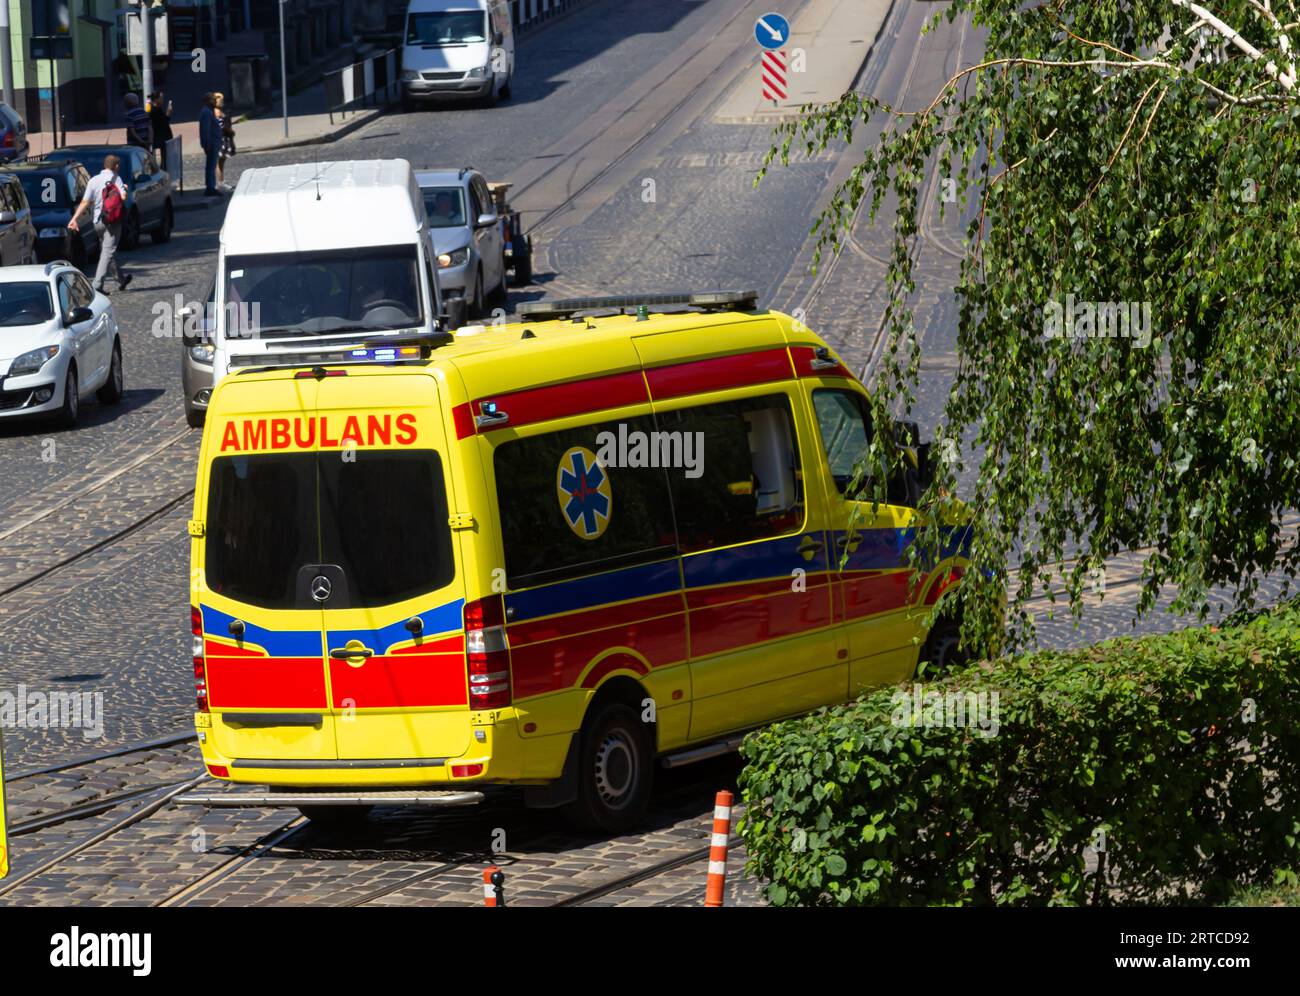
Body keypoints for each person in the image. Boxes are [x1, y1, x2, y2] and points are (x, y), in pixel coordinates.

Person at [67, 154, 132, 294]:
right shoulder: (117, 179)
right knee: (108, 251)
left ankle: (121, 279)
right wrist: (125, 188)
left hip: (97, 221)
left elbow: (85, 202)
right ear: (117, 166)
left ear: (104, 165)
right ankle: (97, 285)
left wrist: (74, 219)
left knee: (108, 251)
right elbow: (123, 197)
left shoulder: (93, 180)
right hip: (113, 221)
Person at [199, 93, 222, 197]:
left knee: (212, 166)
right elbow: (206, 130)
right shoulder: (206, 113)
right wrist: (207, 144)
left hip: (213, 143)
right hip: (211, 144)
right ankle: (210, 188)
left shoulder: (210, 111)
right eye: (213, 100)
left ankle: (211, 187)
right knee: (211, 166)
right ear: (208, 101)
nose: (215, 101)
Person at [214, 92, 236, 188]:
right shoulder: (216, 112)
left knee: (221, 161)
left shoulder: (219, 111)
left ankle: (221, 182)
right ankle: (220, 183)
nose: (222, 102)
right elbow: (221, 126)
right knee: (219, 161)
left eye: (222, 100)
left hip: (223, 138)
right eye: (220, 100)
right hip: (220, 139)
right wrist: (229, 130)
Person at [149, 91, 174, 171]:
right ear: (156, 99)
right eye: (161, 98)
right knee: (164, 159)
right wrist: (169, 112)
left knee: (165, 158)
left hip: (162, 137)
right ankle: (162, 173)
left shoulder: (157, 109)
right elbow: (164, 121)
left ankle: (162, 171)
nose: (162, 100)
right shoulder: (155, 110)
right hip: (160, 137)